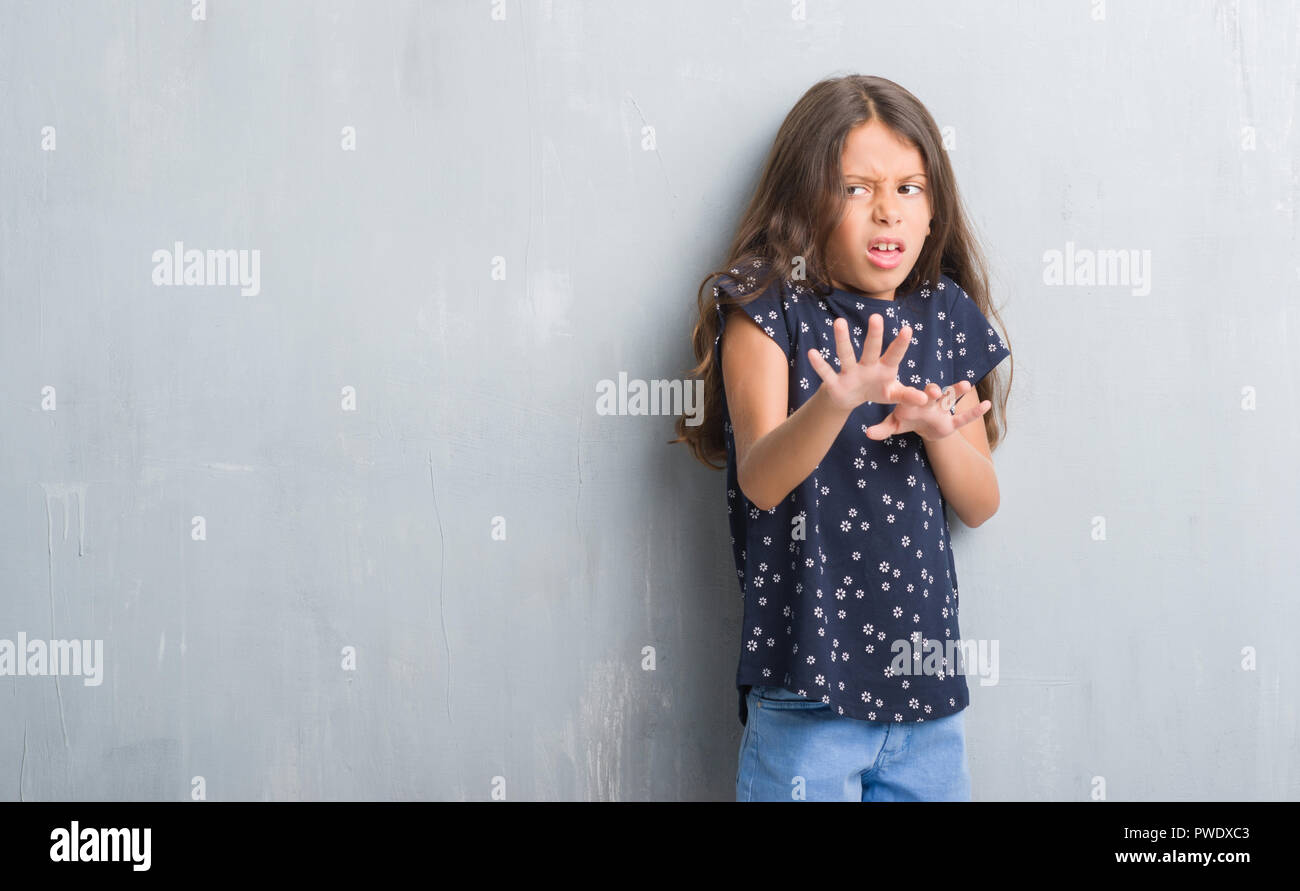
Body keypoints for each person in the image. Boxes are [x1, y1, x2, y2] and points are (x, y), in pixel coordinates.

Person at [673, 74, 1014, 801]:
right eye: (855, 188)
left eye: (908, 188)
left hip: (927, 700)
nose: (886, 209)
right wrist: (835, 403)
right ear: (805, 201)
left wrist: (939, 433)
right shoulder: (766, 303)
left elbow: (981, 501)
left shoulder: (943, 313)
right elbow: (762, 479)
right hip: (808, 688)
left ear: (932, 210)